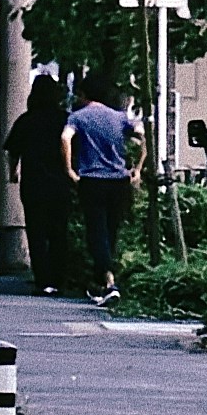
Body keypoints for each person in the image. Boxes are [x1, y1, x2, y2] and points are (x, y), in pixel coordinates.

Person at [65, 74, 139, 301]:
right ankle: (101, 281)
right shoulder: (119, 117)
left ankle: (109, 282)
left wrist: (69, 169)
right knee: (111, 230)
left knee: (96, 231)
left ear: (84, 95)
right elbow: (143, 134)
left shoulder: (78, 117)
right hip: (119, 180)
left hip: (92, 180)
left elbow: (65, 138)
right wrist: (138, 168)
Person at [8, 71, 75, 294]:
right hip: (60, 183)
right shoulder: (64, 119)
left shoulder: (26, 119)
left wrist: (13, 173)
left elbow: (13, 150)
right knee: (58, 232)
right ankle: (59, 279)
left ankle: (43, 280)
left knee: (36, 232)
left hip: (34, 183)